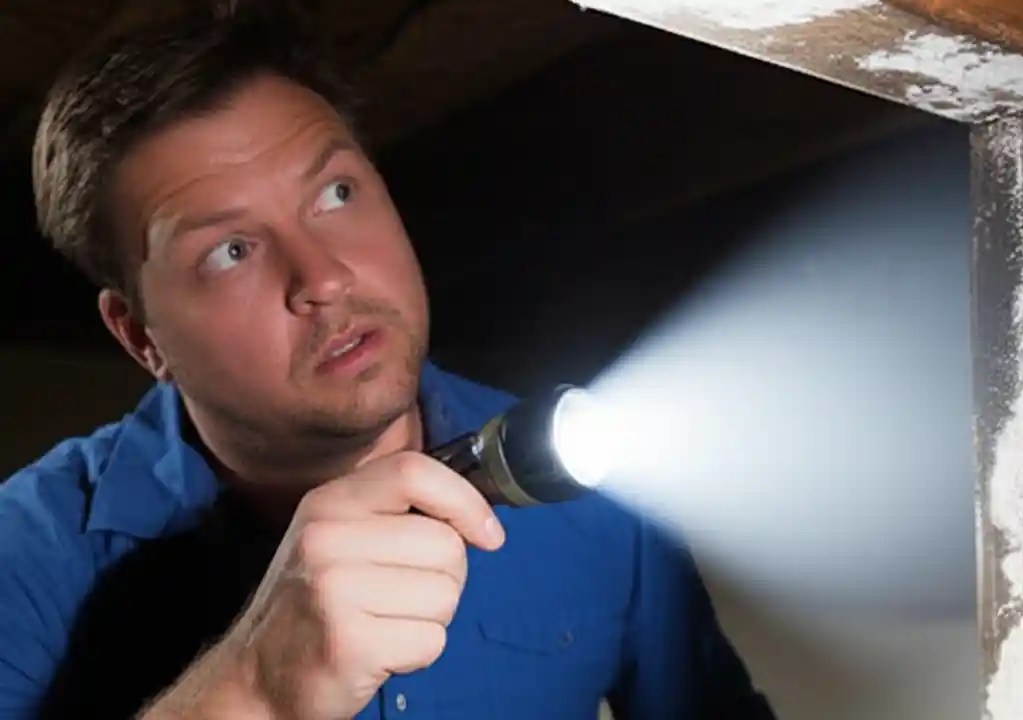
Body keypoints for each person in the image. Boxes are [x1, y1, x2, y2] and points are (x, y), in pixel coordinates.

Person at [0, 6, 771, 719]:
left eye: (336, 193)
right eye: (231, 251)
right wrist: (252, 692)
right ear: (142, 337)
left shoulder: (590, 484)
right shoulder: (25, 558)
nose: (325, 278)